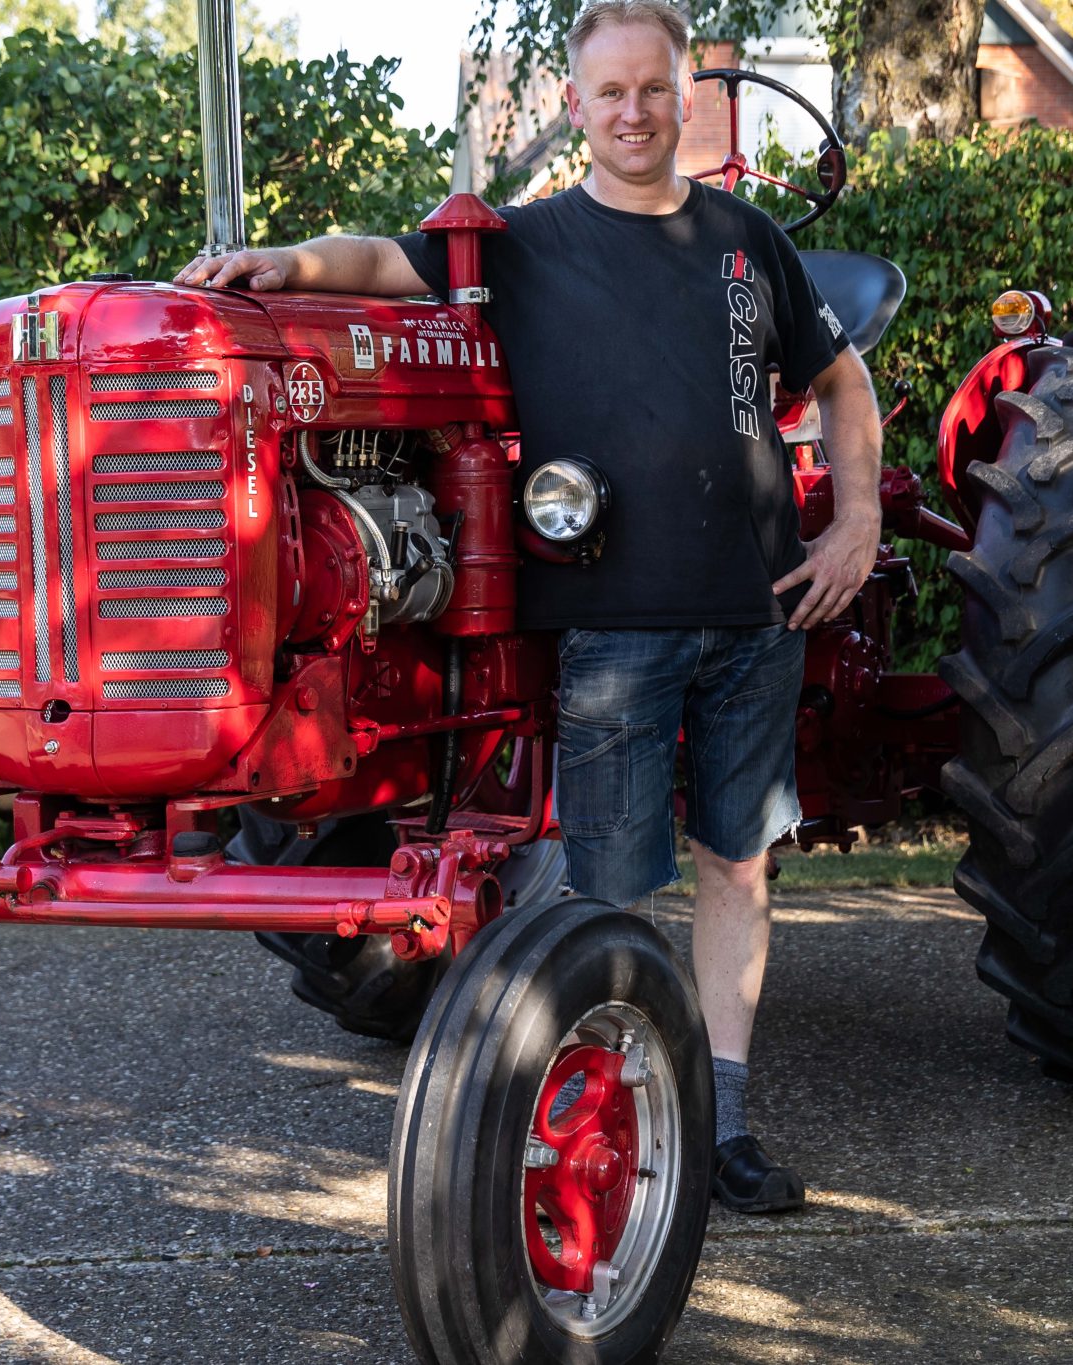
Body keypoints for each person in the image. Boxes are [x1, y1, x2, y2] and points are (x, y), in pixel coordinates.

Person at [174, 0, 882, 1214]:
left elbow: (839, 379)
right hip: (610, 621)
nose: (632, 112)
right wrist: (284, 264)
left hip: (752, 609)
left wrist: (854, 524)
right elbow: (380, 261)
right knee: (606, 889)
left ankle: (720, 1123)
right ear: (574, 105)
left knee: (735, 864)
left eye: (651, 89)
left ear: (684, 97)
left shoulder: (745, 239)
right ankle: (622, 1121)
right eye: (609, 92)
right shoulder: (527, 242)